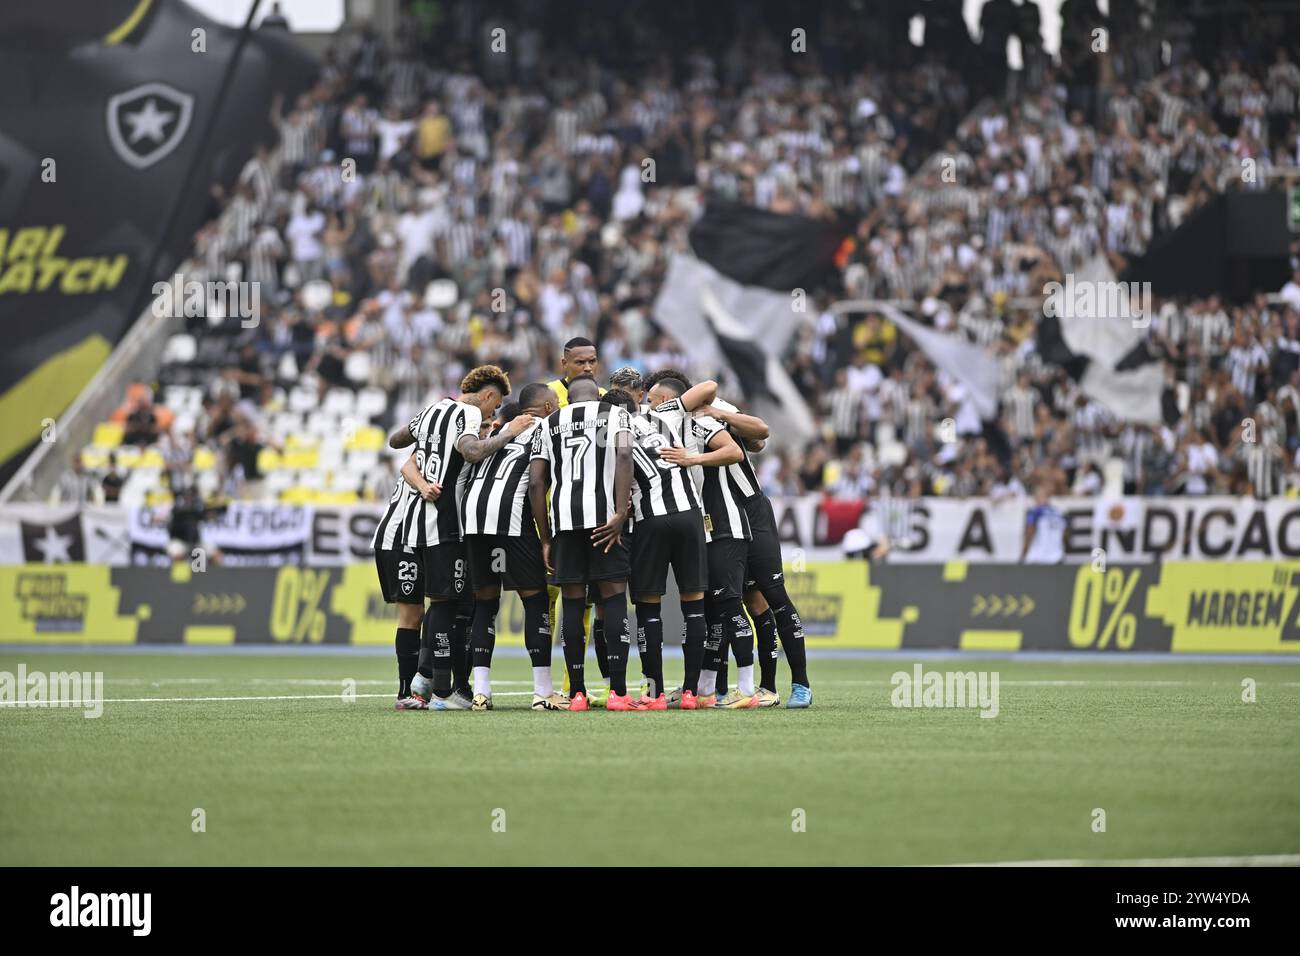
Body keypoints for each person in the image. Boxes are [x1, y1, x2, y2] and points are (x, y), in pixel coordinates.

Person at [391, 365, 534, 710]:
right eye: (496, 406)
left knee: (439, 604)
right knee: (445, 604)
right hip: (446, 521)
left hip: (417, 521)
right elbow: (471, 451)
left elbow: (396, 440)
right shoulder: (469, 412)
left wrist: (426, 441)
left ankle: (422, 684)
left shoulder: (432, 408)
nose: (494, 413)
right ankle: (440, 693)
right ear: (488, 396)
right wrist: (509, 432)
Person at [646, 373, 757, 708]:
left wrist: (693, 458)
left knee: (729, 605)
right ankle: (703, 688)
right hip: (703, 528)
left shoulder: (699, 424)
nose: (646, 407)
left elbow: (736, 451)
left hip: (726, 525)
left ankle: (747, 689)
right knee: (708, 613)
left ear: (667, 401)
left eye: (651, 401)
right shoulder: (664, 431)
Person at [602, 385, 714, 709]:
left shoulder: (615, 430)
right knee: (694, 606)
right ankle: (691, 693)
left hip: (651, 518)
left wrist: (620, 512)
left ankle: (655, 694)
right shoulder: (662, 414)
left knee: (648, 607)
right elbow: (706, 388)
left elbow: (620, 468)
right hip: (690, 513)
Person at [528, 375, 635, 710]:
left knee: (572, 604)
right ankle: (617, 692)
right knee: (613, 598)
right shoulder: (615, 414)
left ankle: (576, 693)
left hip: (564, 523)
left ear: (568, 397)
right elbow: (624, 456)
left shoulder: (548, 423)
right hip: (605, 521)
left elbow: (535, 483)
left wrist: (546, 538)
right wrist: (620, 512)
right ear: (597, 393)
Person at [460, 385, 569, 711]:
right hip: (510, 519)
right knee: (535, 601)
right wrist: (546, 537)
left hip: (474, 520)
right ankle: (542, 692)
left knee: (485, 603)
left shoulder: (503, 428)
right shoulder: (548, 428)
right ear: (549, 406)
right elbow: (537, 484)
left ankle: (482, 692)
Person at [371, 447, 428, 708]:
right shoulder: (431, 447)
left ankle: (423, 686)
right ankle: (405, 693)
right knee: (412, 614)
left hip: (419, 539)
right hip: (400, 539)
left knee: (428, 612)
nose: (484, 430)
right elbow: (407, 468)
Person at [1022, 483, 1066, 564]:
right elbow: (1065, 536)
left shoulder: (1034, 512)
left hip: (1038, 558)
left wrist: (1023, 554)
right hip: (1057, 558)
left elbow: (1029, 533)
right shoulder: (1059, 514)